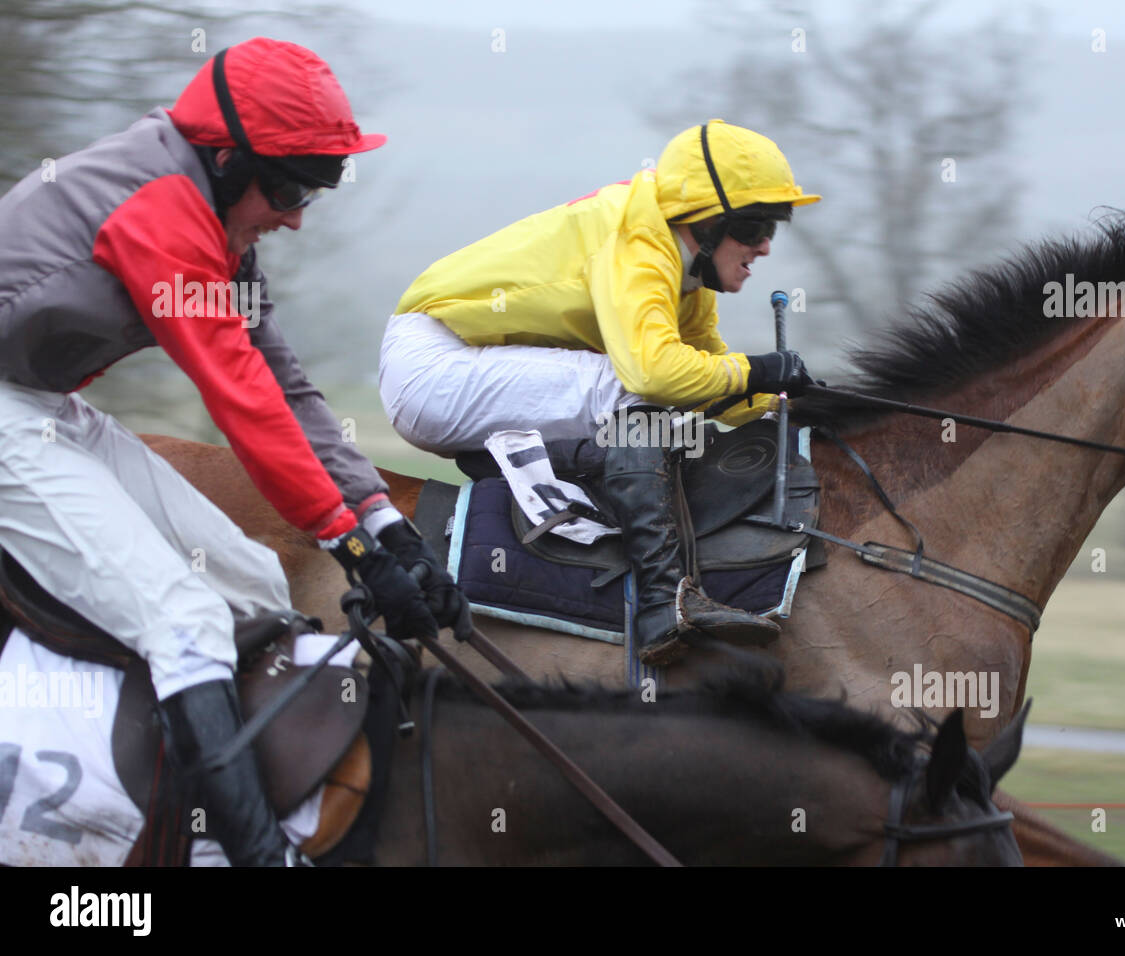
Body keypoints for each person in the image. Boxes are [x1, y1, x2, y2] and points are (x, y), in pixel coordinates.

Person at [0, 37, 469, 866]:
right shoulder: (161, 210)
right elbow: (239, 397)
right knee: (181, 619)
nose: (294, 216)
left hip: (41, 403)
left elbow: (287, 388)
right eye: (288, 188)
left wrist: (387, 531)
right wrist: (350, 544)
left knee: (251, 582)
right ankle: (244, 851)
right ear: (223, 160)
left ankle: (201, 798)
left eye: (312, 194)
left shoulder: (217, 219)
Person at [379, 119, 820, 666]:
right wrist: (759, 370)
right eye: (753, 226)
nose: (765, 245)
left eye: (774, 226)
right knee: (634, 388)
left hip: (462, 366)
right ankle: (664, 602)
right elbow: (655, 375)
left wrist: (787, 402)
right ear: (703, 221)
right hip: (433, 366)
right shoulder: (641, 242)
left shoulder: (685, 267)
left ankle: (554, 480)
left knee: (662, 397)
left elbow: (704, 371)